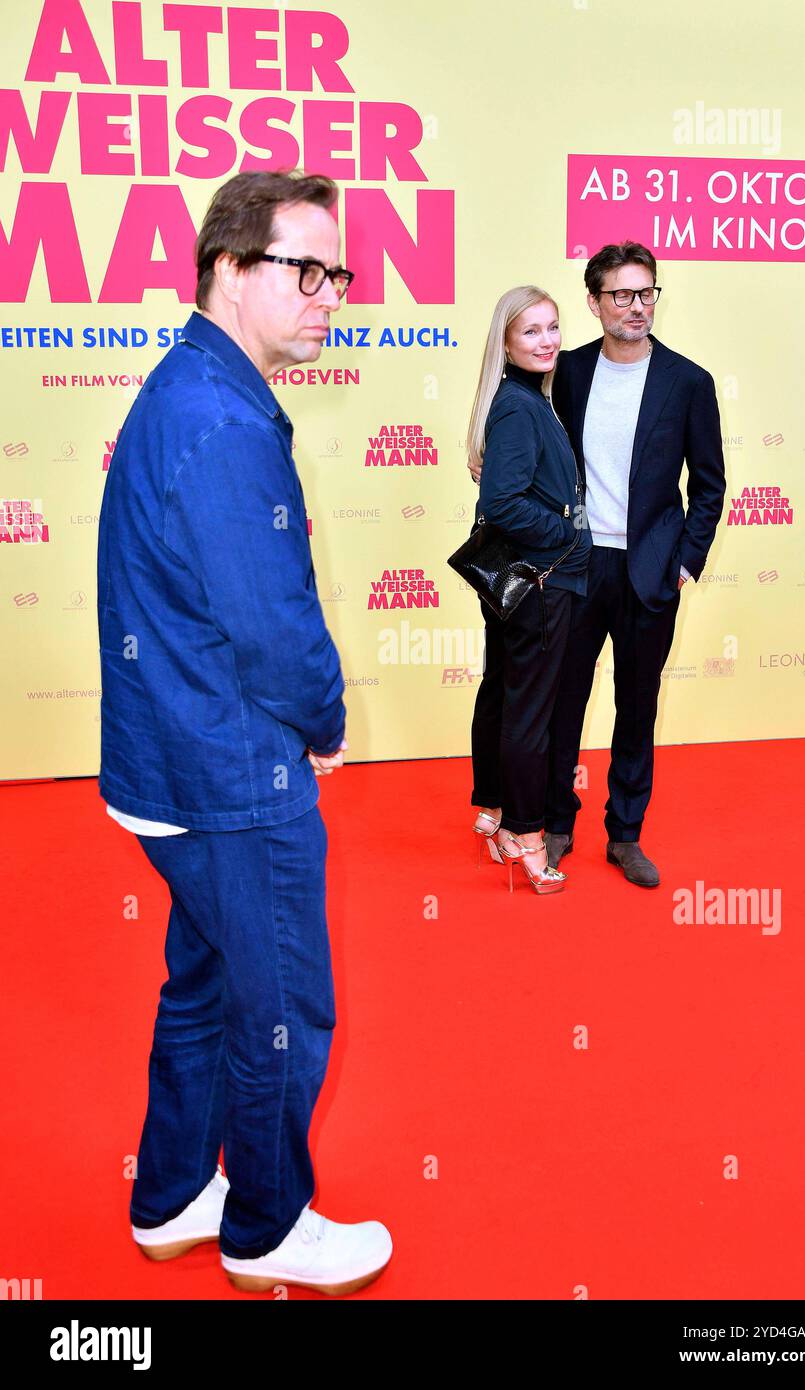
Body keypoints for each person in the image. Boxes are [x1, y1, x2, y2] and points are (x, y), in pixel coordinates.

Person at [96, 169, 392, 1295]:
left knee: (208, 983)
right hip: (227, 769)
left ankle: (173, 1192)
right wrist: (323, 717)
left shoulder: (194, 388)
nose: (330, 296)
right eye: (305, 270)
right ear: (228, 268)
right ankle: (269, 1221)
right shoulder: (219, 419)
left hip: (176, 758)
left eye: (338, 275)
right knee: (281, 1009)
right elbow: (272, 624)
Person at [472, 242, 725, 886]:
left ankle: (625, 834)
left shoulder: (689, 382)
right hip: (573, 566)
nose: (636, 307)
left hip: (650, 570)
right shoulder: (568, 371)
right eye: (622, 295)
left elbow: (709, 485)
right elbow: (528, 451)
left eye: (647, 294)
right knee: (563, 705)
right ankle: (554, 826)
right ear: (595, 302)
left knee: (637, 709)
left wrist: (686, 560)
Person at [468, 287, 592, 893]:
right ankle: (526, 834)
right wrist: (564, 529)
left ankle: (493, 812)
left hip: (523, 579)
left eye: (552, 328)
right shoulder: (519, 406)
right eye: (532, 332)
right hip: (541, 583)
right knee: (529, 714)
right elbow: (501, 503)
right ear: (507, 342)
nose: (547, 342)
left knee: (503, 696)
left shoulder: (522, 399)